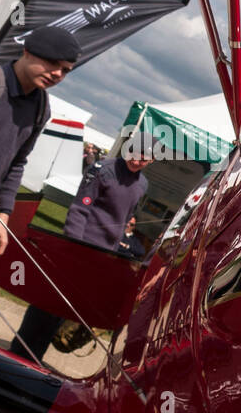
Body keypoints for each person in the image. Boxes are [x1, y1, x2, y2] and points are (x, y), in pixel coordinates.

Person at [11, 143, 152, 362]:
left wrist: (113, 256)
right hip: (77, 248)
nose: (136, 161)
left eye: (143, 159)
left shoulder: (142, 184)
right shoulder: (101, 169)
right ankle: (18, 350)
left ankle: (34, 356)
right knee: (46, 302)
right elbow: (79, 209)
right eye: (134, 155)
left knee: (65, 310)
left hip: (102, 259)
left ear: (152, 161)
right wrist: (74, 247)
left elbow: (123, 220)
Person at [0, 26, 80, 290]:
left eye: (65, 70)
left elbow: (16, 163)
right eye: (52, 63)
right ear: (27, 51)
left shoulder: (42, 108)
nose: (57, 74)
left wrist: (3, 216)